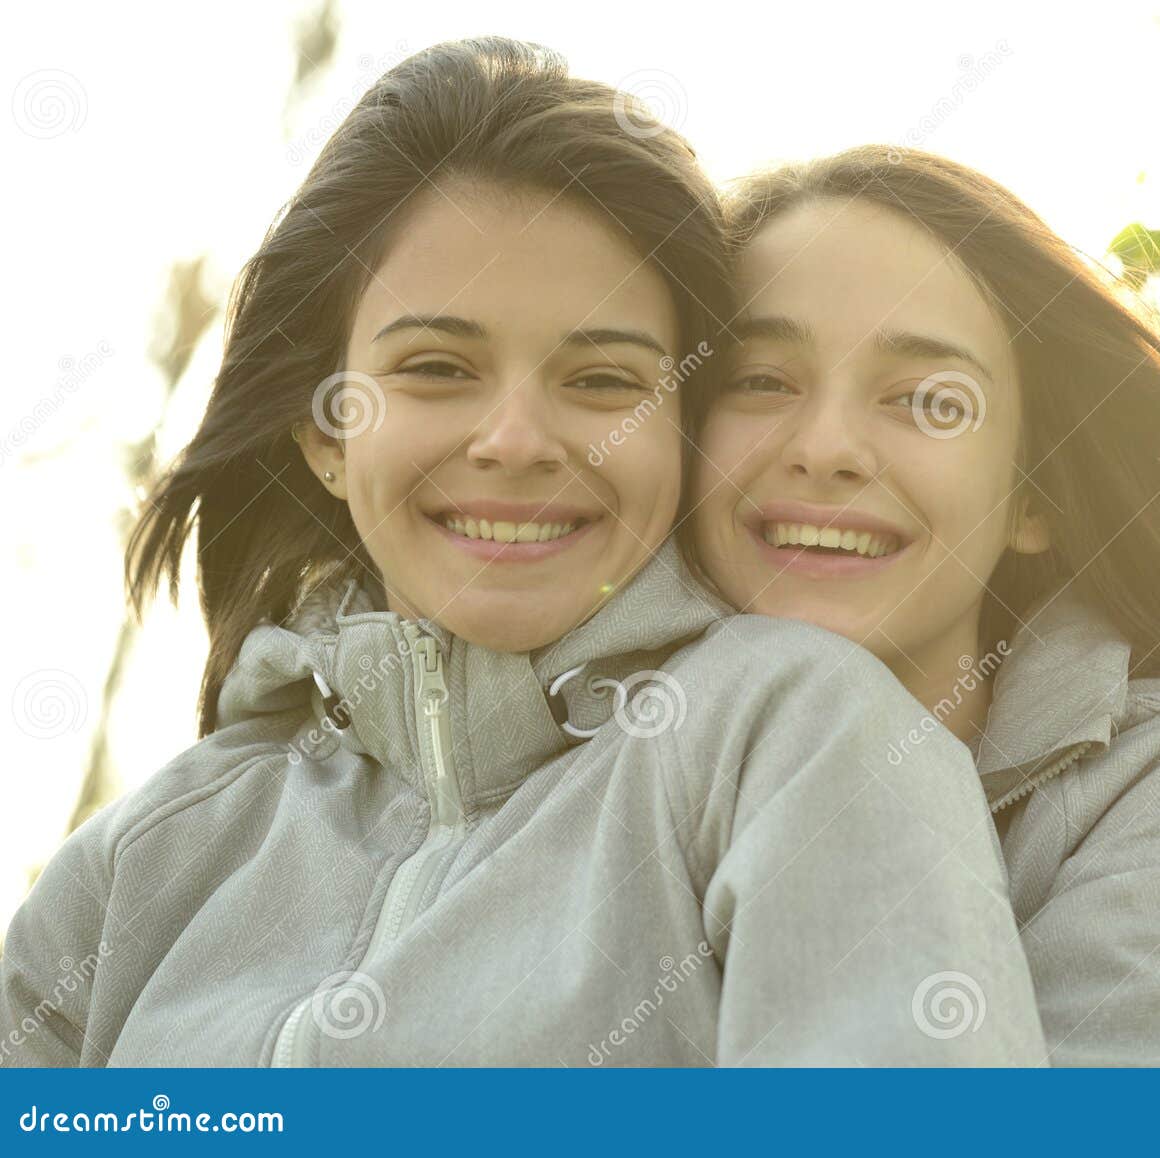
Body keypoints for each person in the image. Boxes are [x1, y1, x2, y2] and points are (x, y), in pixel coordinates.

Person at [0, 46, 1046, 1068]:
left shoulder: (799, 735)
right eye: (438, 367)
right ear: (326, 432)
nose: (515, 440)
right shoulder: (146, 859)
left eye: (601, 381)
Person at [685, 145, 1160, 1065]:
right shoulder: (565, 763)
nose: (825, 446)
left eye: (927, 399)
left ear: (1036, 499)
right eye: (760, 380)